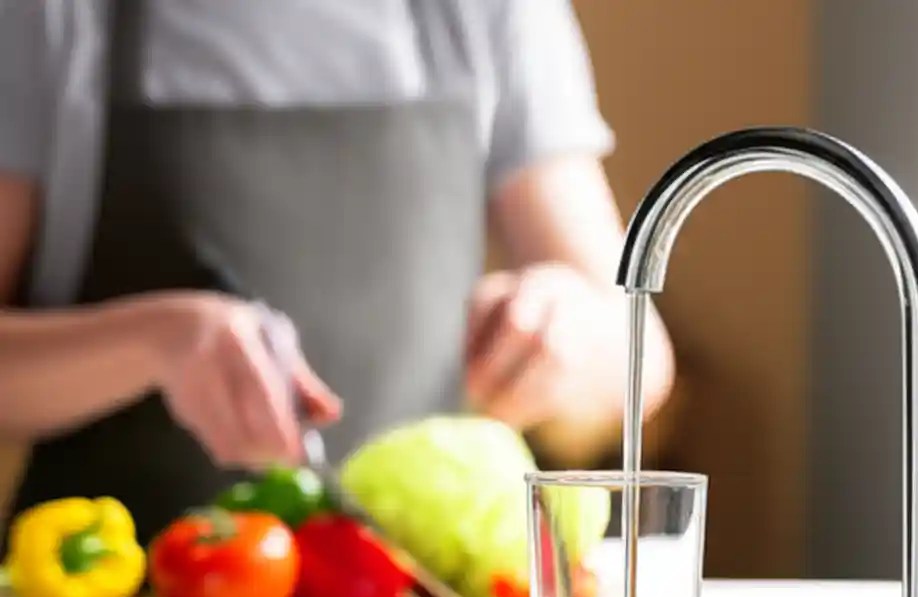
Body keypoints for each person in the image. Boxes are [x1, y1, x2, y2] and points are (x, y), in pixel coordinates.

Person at [0, 0, 674, 546]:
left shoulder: (488, 12)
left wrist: (568, 325)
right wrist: (152, 339)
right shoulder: (47, 16)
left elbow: (641, 357)